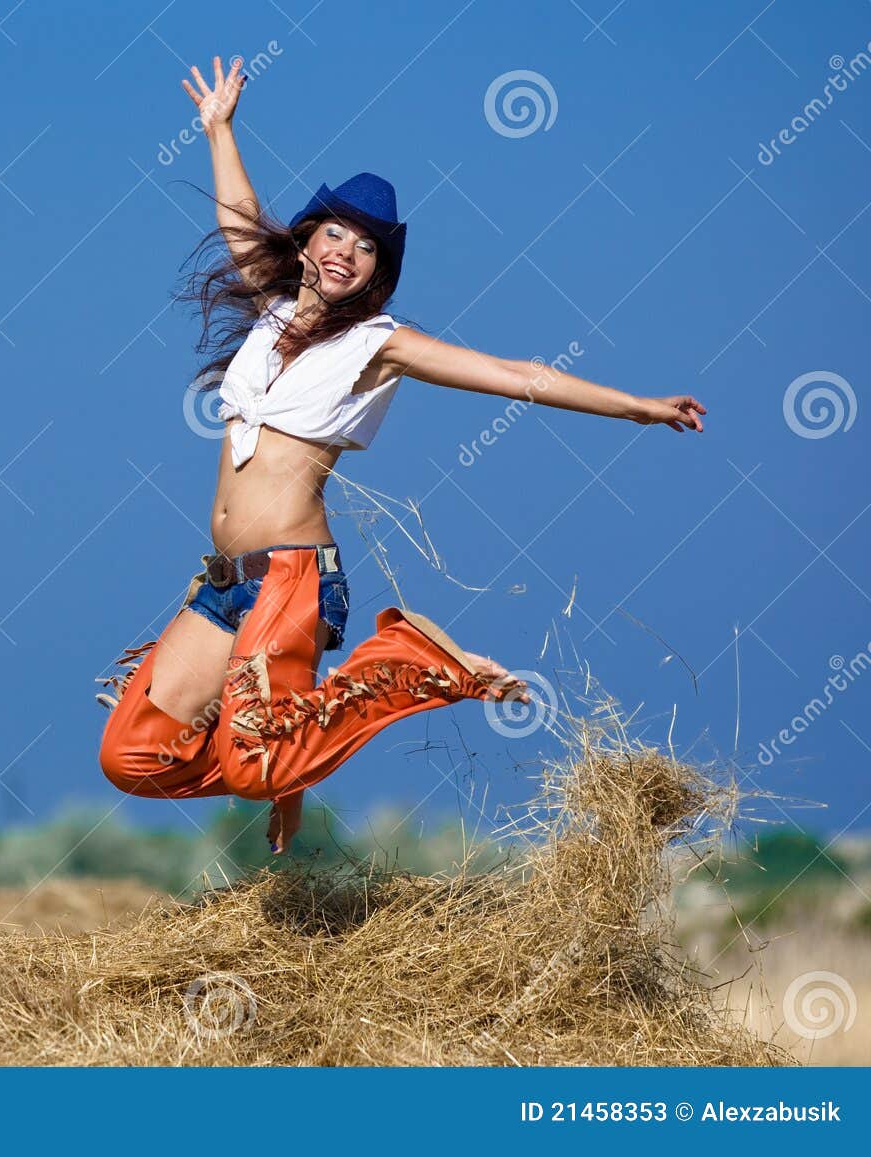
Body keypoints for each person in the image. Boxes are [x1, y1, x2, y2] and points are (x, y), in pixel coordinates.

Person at [97, 57, 706, 852]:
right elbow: (243, 217)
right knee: (131, 755)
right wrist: (219, 128)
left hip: (293, 578)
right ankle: (275, 756)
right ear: (307, 240)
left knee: (250, 766)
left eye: (368, 248)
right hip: (226, 582)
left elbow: (513, 374)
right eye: (336, 232)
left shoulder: (379, 343)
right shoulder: (272, 313)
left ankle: (412, 661)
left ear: (377, 273)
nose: (347, 251)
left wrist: (638, 406)